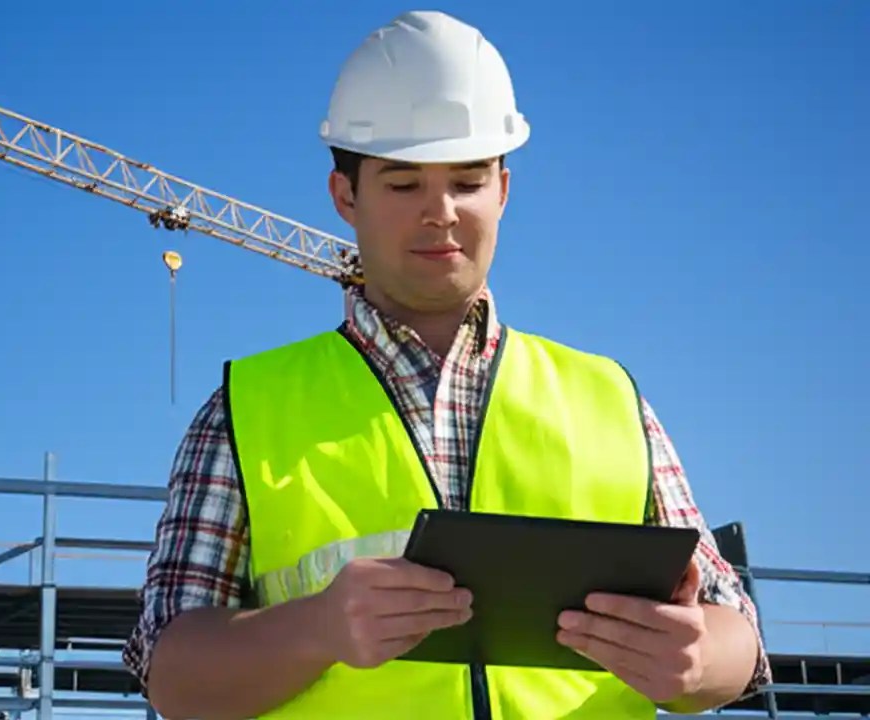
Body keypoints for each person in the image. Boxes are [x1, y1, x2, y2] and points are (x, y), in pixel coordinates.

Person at [122, 9, 771, 719]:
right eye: (404, 185)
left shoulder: (610, 399)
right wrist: (317, 627)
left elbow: (735, 631)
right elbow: (173, 676)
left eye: (466, 181)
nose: (441, 213)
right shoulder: (244, 411)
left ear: (504, 190)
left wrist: (697, 658)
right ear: (346, 197)